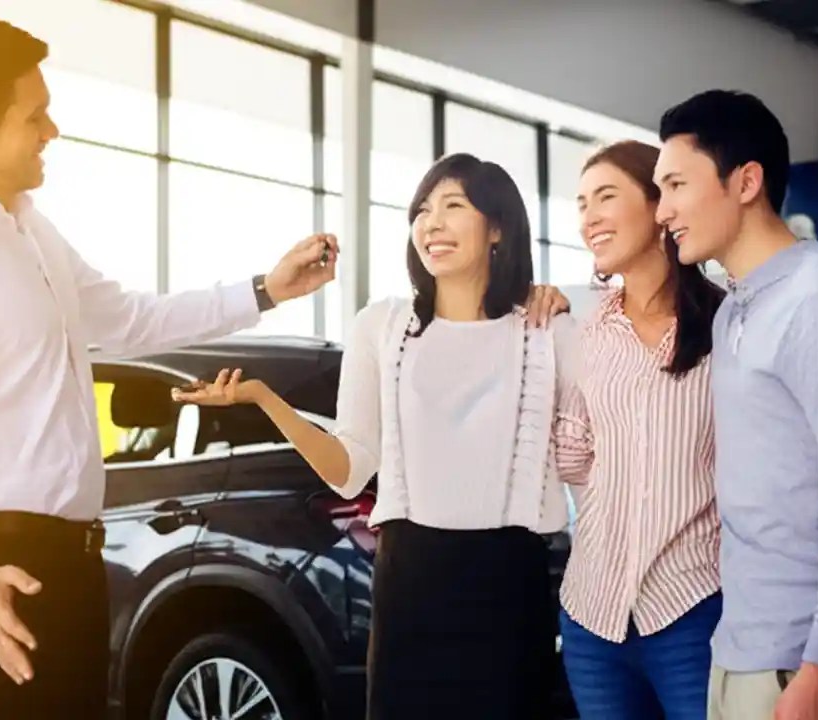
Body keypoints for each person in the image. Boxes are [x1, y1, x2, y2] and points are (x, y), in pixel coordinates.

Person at [0, 13, 338, 720]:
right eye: (35, 114)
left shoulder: (28, 228)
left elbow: (132, 319)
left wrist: (266, 289)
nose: (51, 130)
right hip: (5, 571)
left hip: (77, 560)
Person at [173, 152, 580, 719]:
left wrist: (568, 298)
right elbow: (349, 469)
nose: (431, 223)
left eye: (453, 206)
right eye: (422, 210)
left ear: (498, 228)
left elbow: (604, 419)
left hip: (510, 584)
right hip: (410, 579)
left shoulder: (547, 329)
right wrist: (267, 400)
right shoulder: (384, 326)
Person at [654, 89, 818, 720]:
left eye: (676, 184)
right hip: (742, 652)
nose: (663, 210)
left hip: (808, 667)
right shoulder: (736, 305)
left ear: (746, 181)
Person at [553, 140, 725, 719]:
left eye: (606, 197)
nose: (589, 217)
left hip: (695, 610)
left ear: (659, 208)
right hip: (592, 620)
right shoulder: (583, 332)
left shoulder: (728, 324)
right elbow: (572, 460)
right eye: (581, 204)